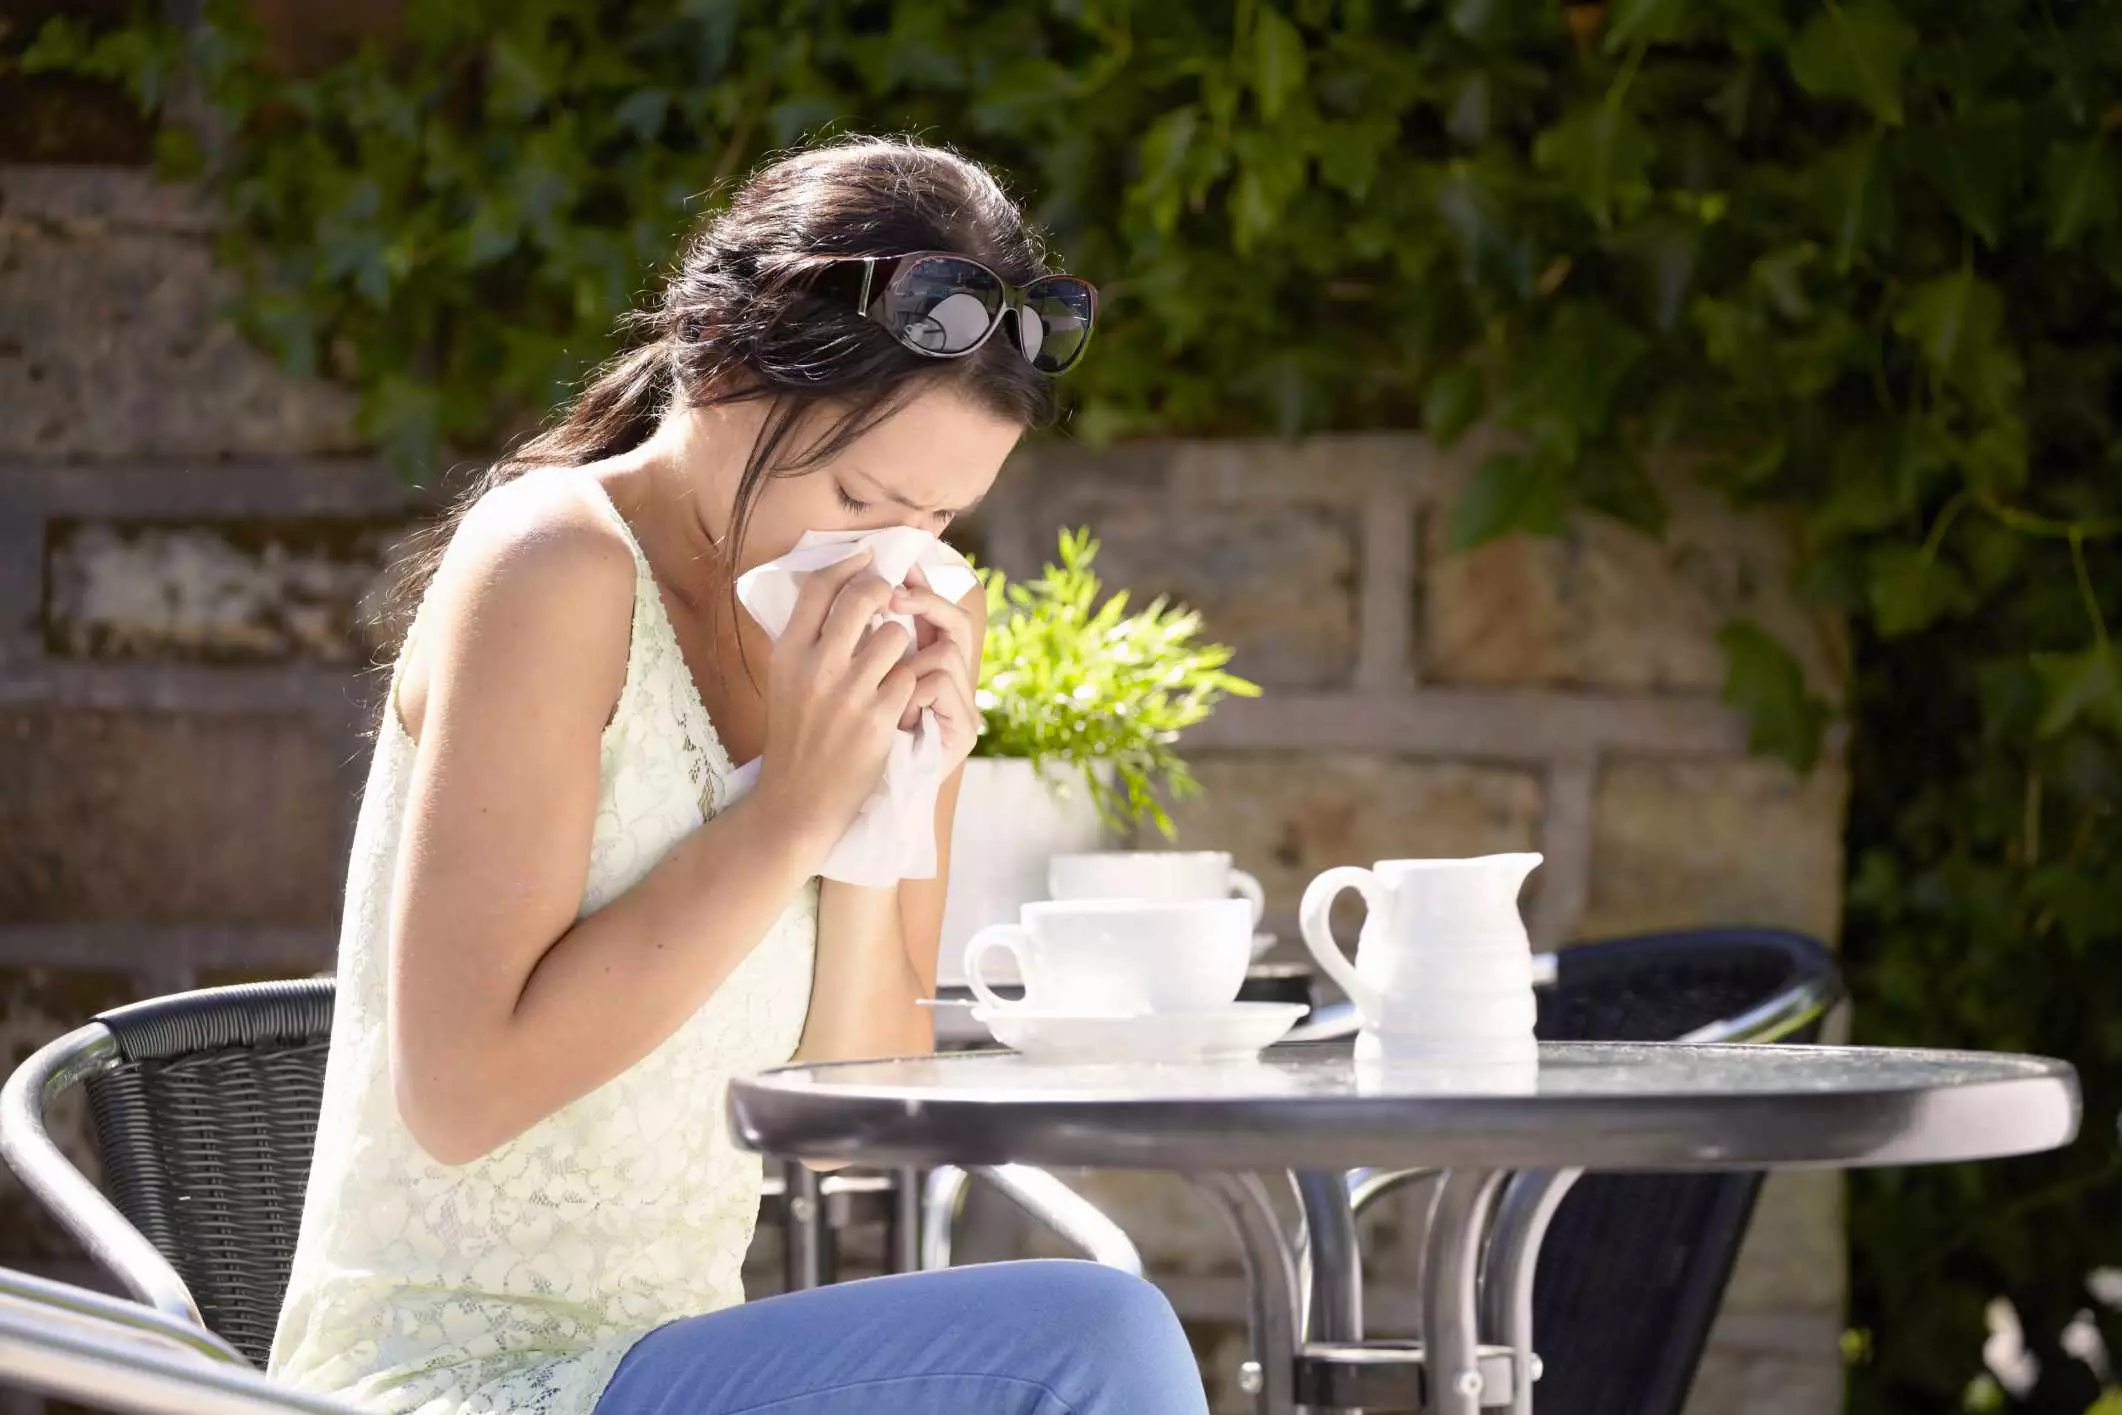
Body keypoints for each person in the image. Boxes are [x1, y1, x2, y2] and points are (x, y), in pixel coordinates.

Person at [267, 136, 1207, 1415]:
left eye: (937, 518)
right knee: (1092, 1336)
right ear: (718, 365)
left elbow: (861, 1103)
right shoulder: (553, 566)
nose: (894, 553)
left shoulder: (850, 639)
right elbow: (461, 1092)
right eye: (862, 492)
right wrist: (791, 812)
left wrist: (891, 788)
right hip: (451, 1380)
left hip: (686, 1361)